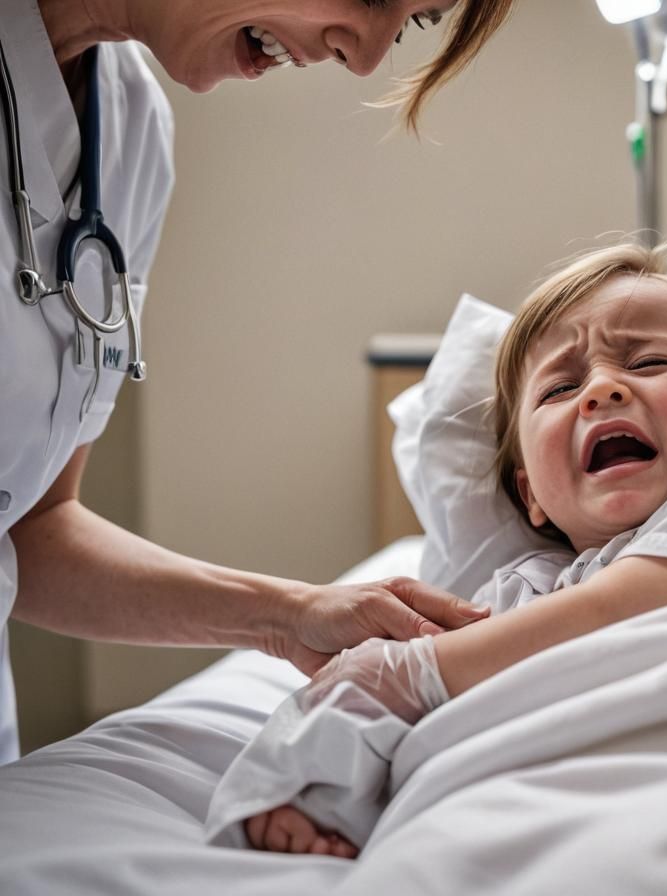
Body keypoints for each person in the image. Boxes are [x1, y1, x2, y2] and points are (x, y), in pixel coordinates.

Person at [0, 0, 519, 764]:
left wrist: (293, 614)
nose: (367, 57)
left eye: (410, 23)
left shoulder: (133, 132)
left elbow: (31, 528)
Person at [223, 242, 667, 857]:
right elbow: (395, 710)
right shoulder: (512, 596)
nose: (601, 390)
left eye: (649, 363)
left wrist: (419, 670)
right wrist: (304, 783)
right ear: (532, 495)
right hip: (527, 808)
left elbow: (634, 608)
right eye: (558, 390)